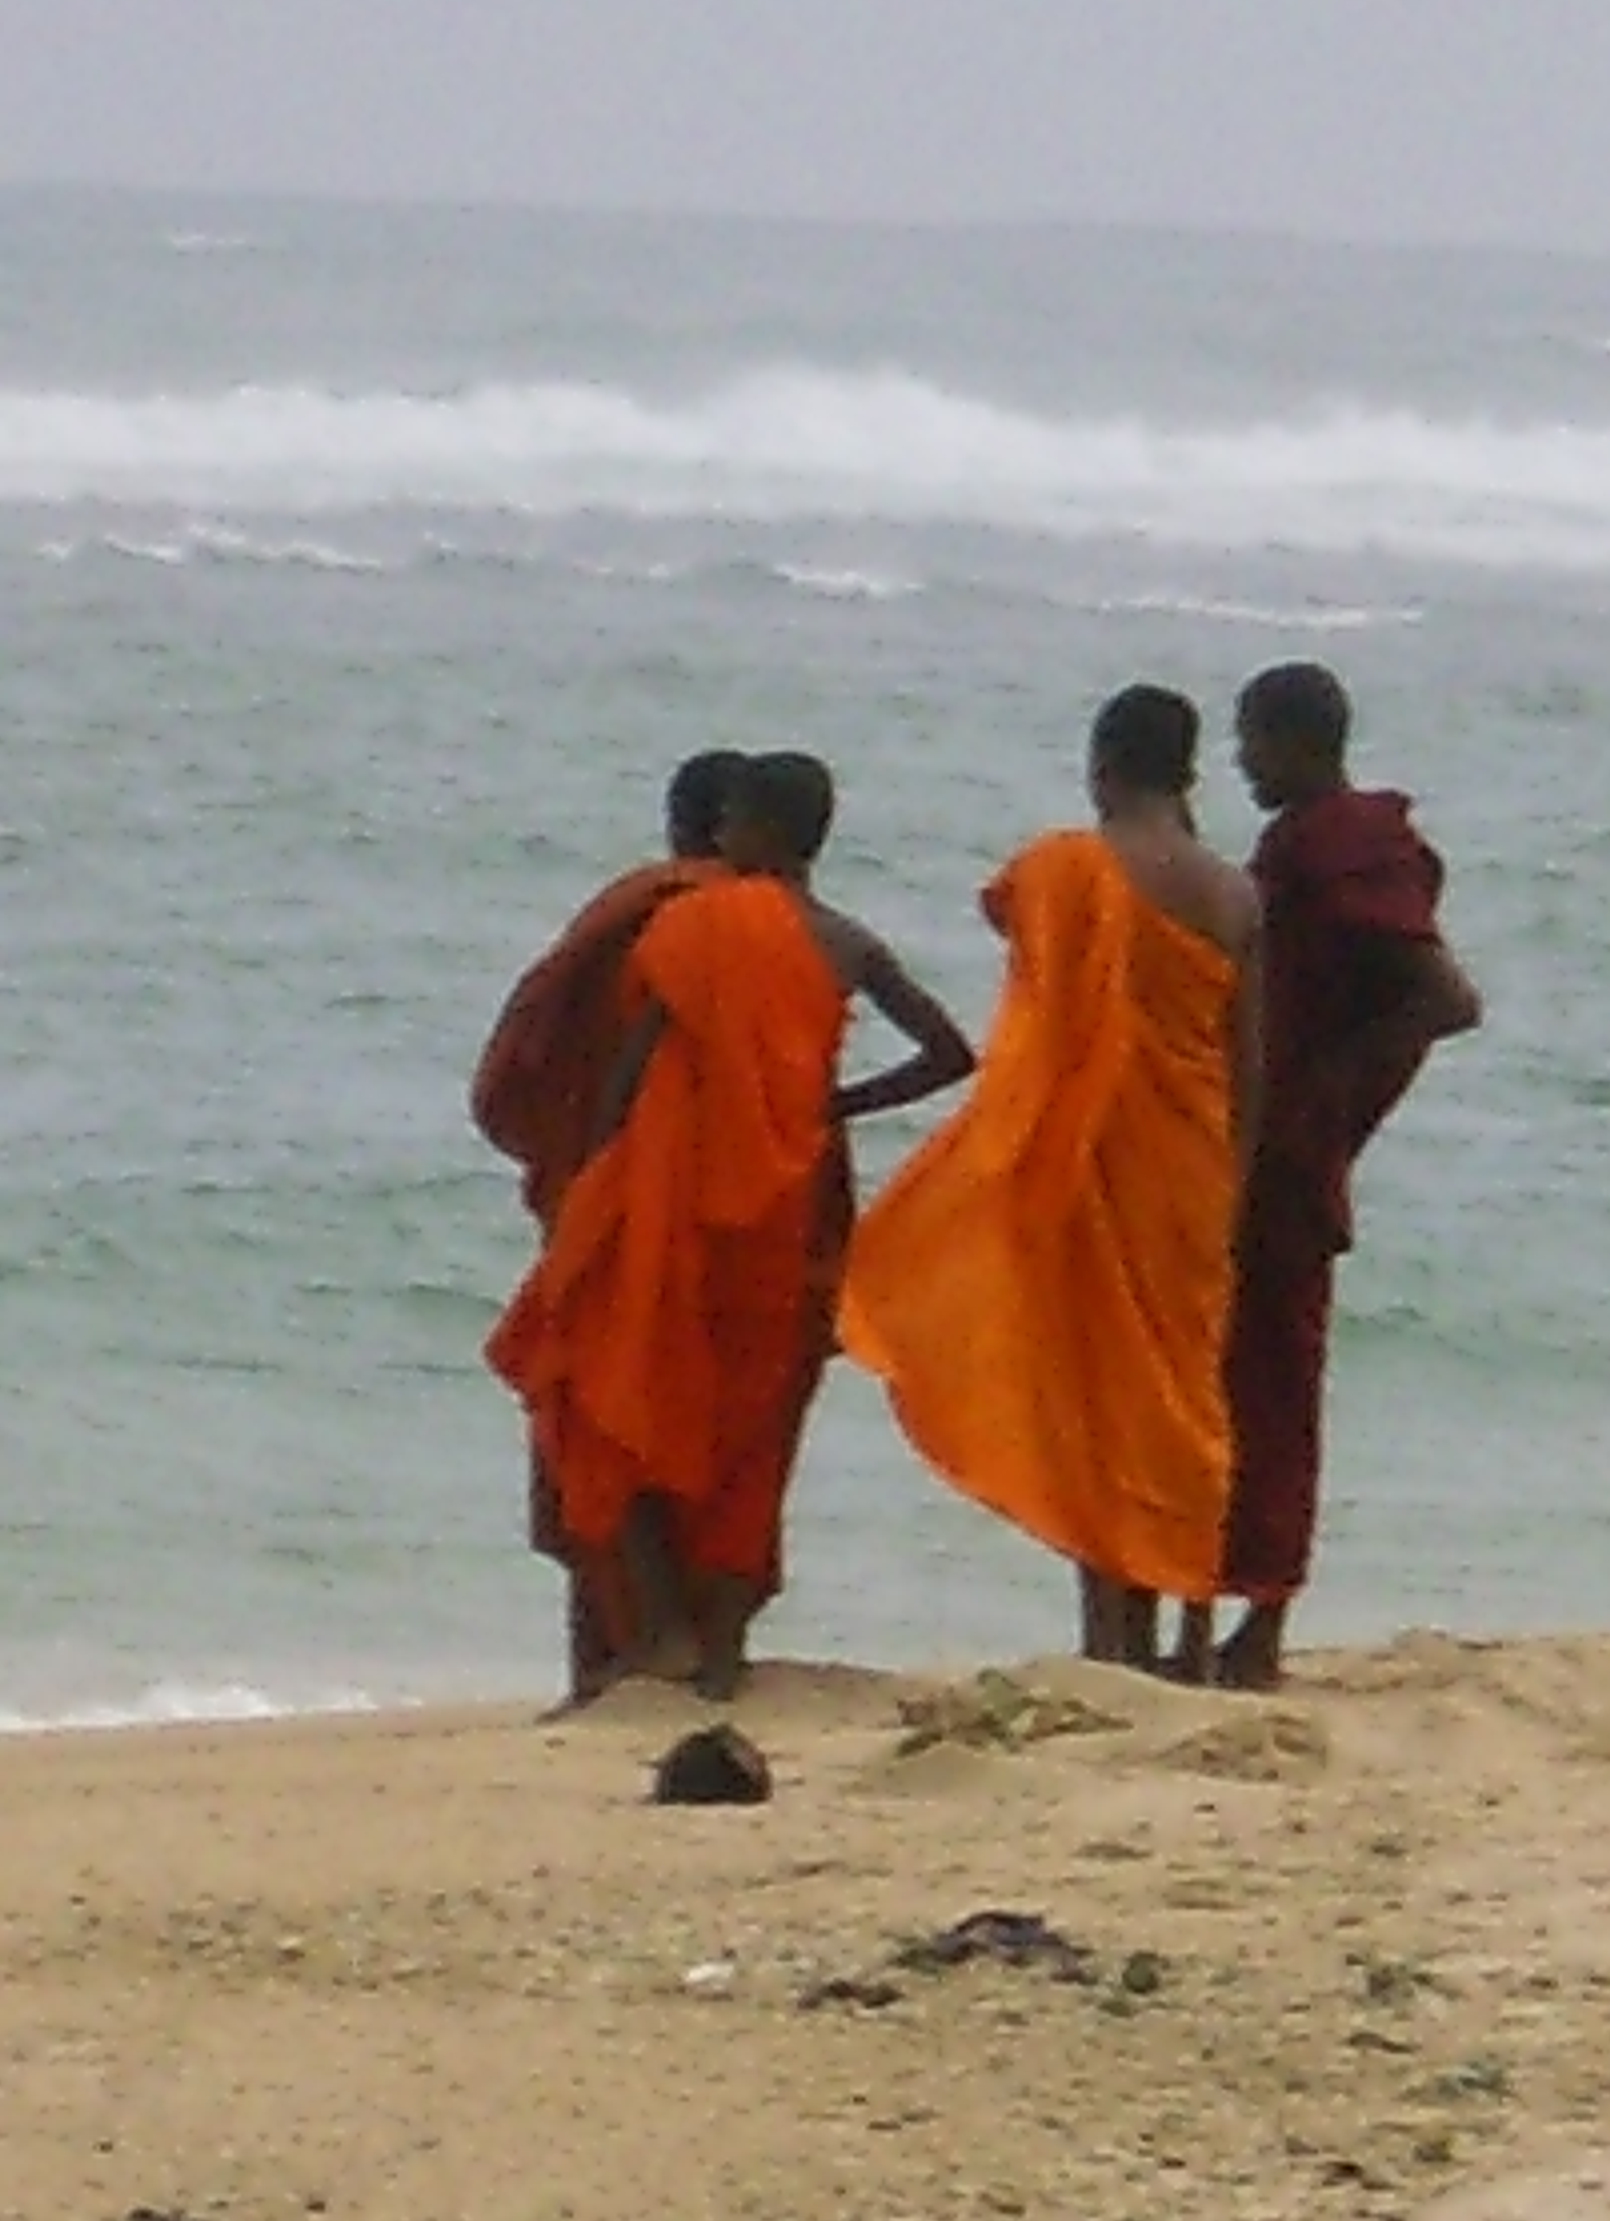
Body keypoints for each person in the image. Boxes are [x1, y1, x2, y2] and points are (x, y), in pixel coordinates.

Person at [484, 752, 972, 1704]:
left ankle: (661, 1627)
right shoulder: (845, 939)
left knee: (608, 1393)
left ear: (760, 830)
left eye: (733, 822)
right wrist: (833, 1105)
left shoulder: (698, 925)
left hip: (676, 1204)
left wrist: (594, 1177)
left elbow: (637, 1065)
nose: (720, 839)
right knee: (749, 1438)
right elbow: (950, 1053)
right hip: (787, 1217)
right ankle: (717, 1654)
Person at [840, 685, 1260, 1671]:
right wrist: (1239, 1181)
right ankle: (1193, 1629)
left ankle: (1111, 1635)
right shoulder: (1234, 893)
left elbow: (1006, 917)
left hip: (1089, 1157)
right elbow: (1249, 1060)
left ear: (1101, 765)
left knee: (1093, 1400)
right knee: (1183, 1397)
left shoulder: (1066, 867)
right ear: (1189, 772)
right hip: (1194, 1167)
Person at [1179, 662, 1480, 1693]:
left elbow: (1446, 998)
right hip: (1268, 1144)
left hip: (1287, 1154)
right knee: (1232, 1379)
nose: (1241, 762)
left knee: (1268, 1387)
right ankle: (1213, 1617)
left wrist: (1330, 1089)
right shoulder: (1306, 842)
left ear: (1299, 742)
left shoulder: (1337, 845)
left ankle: (1258, 1626)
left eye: (1251, 741)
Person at [470, 746, 745, 1702]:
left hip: (615, 1203)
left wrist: (585, 1176)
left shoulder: (634, 916)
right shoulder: (736, 925)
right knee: (707, 1438)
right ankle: (698, 1652)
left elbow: (528, 1062)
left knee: (595, 1423)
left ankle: (606, 1669)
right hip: (724, 1218)